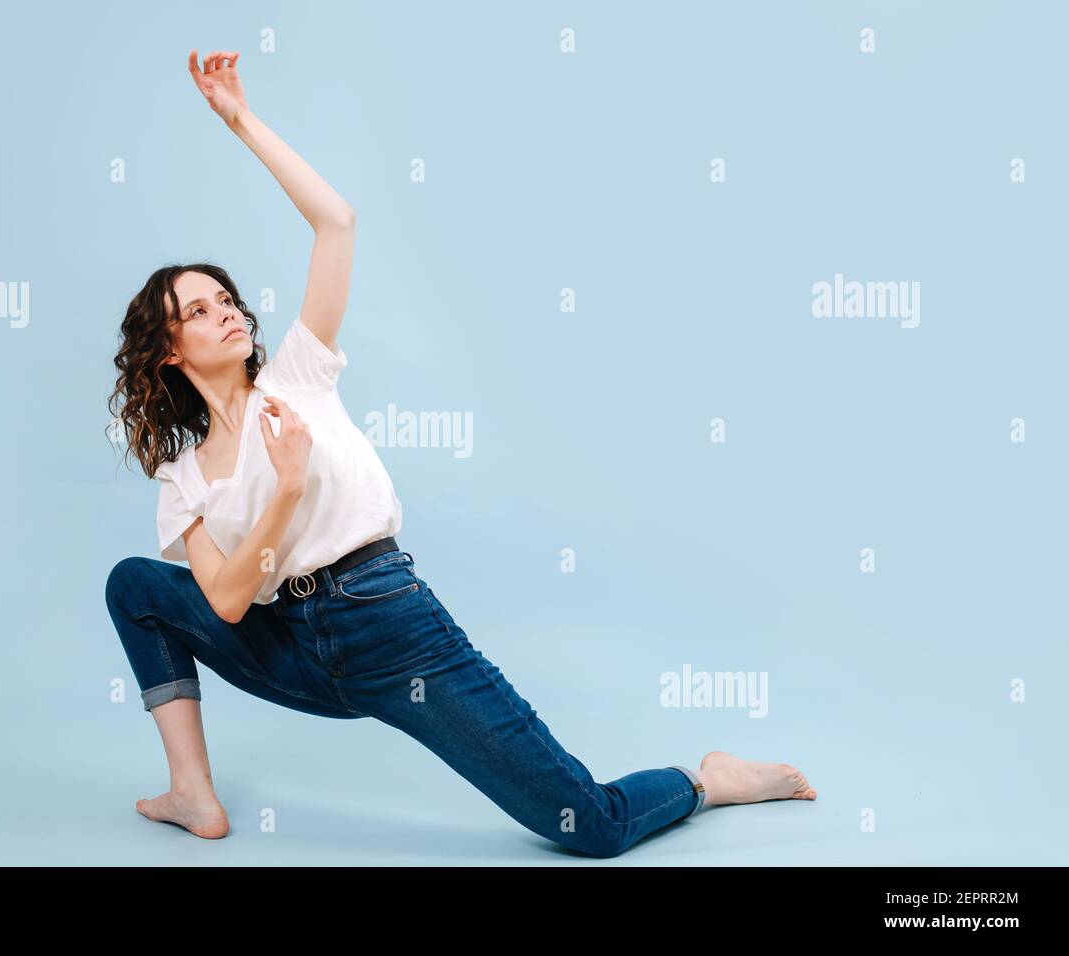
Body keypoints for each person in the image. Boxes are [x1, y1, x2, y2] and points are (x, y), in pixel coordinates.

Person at [104, 48, 817, 858]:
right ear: (168, 350)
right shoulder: (184, 476)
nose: (227, 312)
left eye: (227, 297)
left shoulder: (299, 377)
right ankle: (193, 794)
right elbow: (228, 605)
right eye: (200, 310)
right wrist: (285, 490)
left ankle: (710, 779)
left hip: (386, 625)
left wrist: (240, 120)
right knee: (134, 584)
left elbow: (336, 222)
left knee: (590, 825)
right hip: (291, 649)